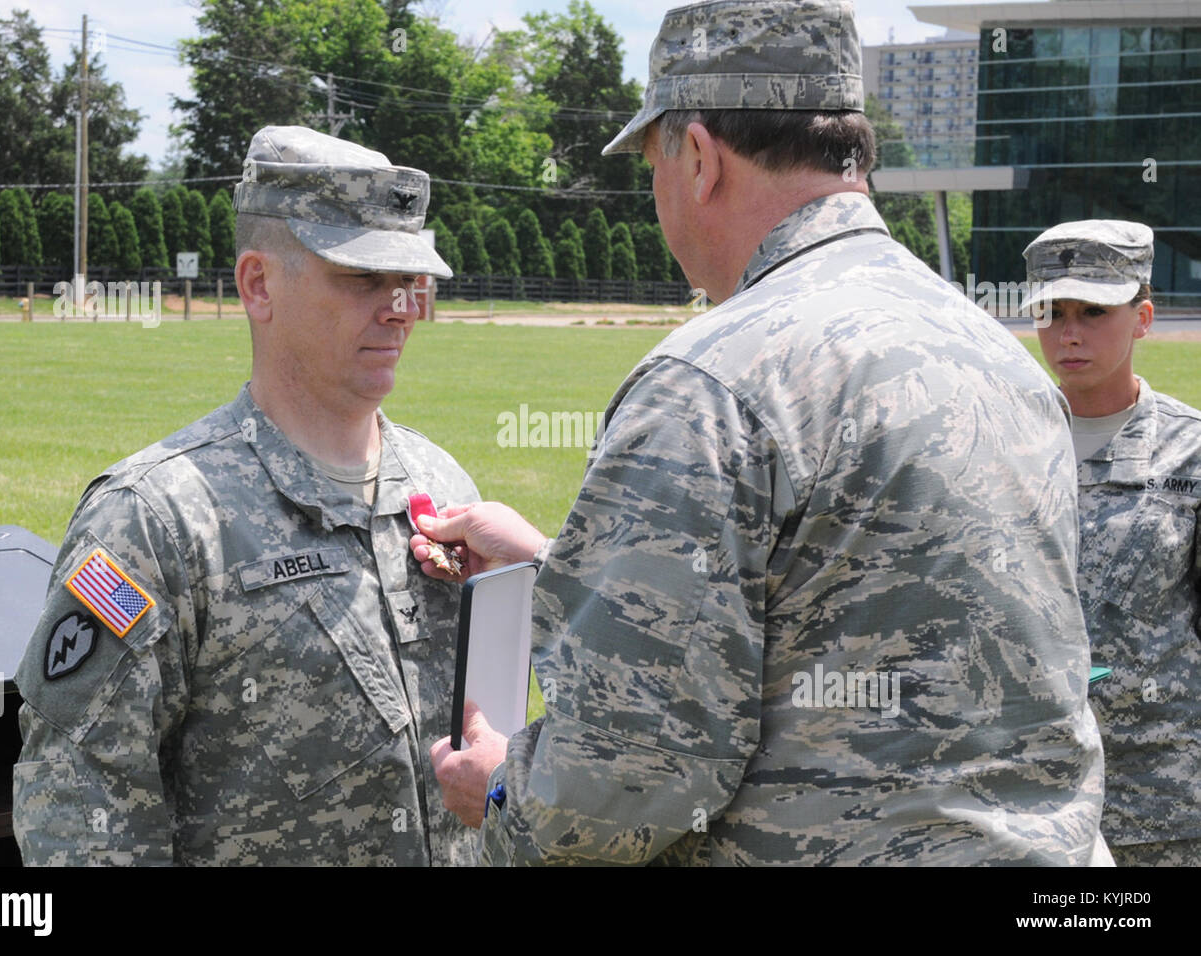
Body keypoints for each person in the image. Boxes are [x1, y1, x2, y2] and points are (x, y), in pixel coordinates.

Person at [422, 0, 1112, 865]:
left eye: (652, 162)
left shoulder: (711, 381)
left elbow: (627, 777)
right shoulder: (998, 356)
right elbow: (859, 612)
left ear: (700, 157)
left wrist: (497, 788)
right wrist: (565, 561)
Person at [12, 126, 480, 866]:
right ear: (259, 283)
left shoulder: (444, 486)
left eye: (409, 281)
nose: (401, 308)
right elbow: (78, 806)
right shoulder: (154, 517)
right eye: (361, 278)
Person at [1022, 220, 1201, 867]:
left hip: (1161, 805)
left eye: (1094, 311)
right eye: (1051, 311)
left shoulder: (1191, 453)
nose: (1068, 333)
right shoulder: (1001, 444)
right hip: (1027, 801)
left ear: (1144, 317)